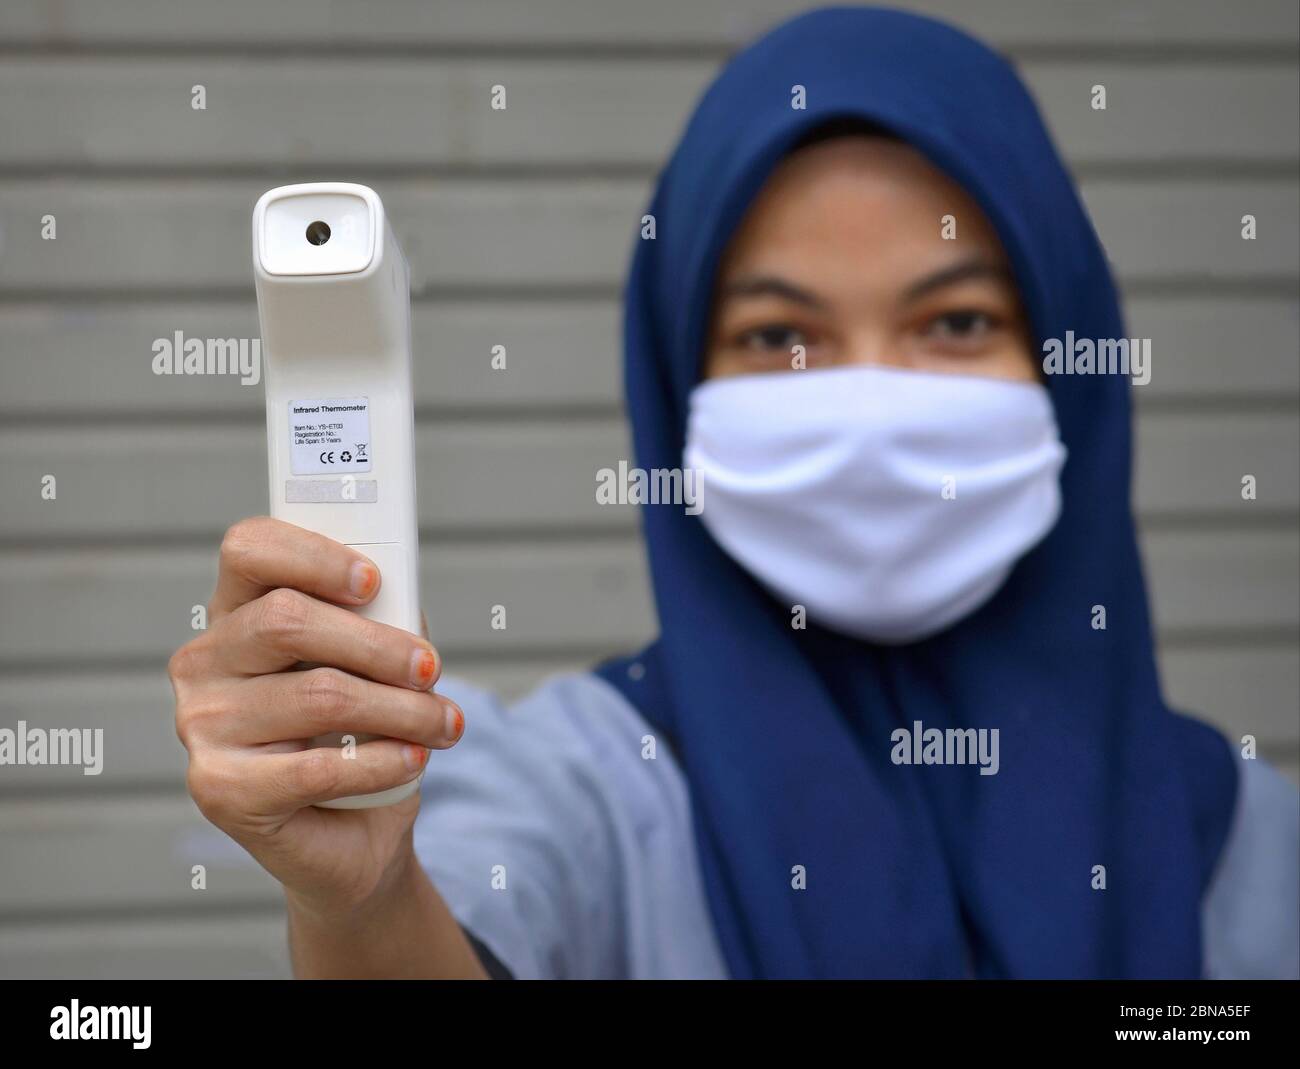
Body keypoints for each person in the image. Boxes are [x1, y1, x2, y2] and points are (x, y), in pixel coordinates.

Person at [169, 7, 1298, 979]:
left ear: (1067, 358)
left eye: (955, 321)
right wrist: (362, 899)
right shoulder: (590, 790)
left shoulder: (1251, 837)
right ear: (676, 381)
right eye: (777, 334)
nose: (867, 401)